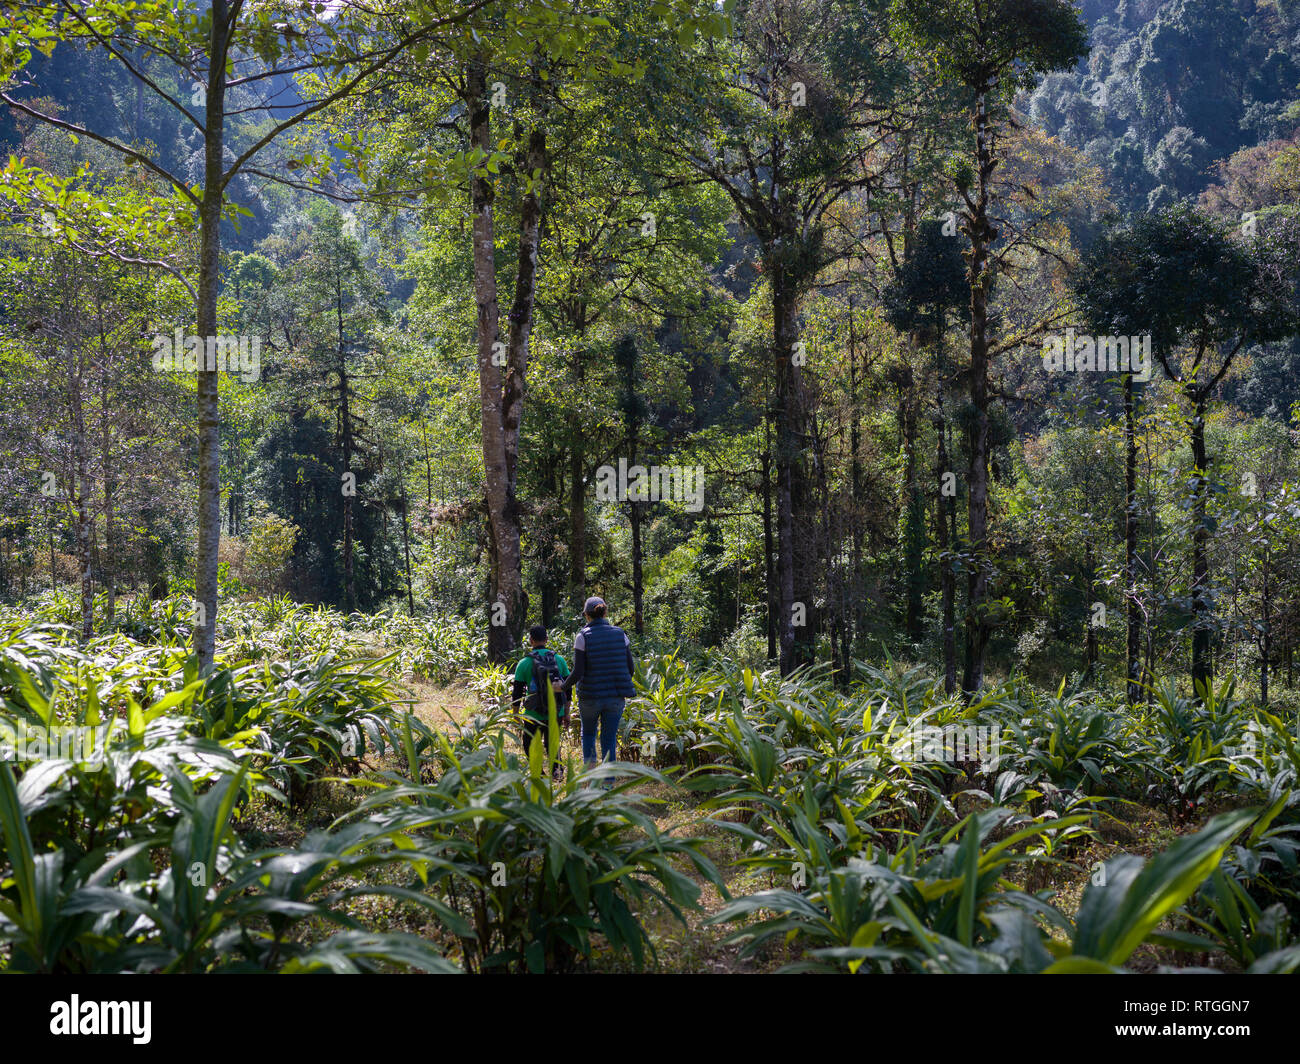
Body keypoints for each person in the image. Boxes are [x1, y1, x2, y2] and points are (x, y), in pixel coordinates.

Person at [561, 597, 635, 782]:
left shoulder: (583, 636)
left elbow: (578, 672)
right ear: (605, 612)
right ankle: (608, 783)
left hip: (590, 696)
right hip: (616, 697)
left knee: (588, 733)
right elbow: (630, 668)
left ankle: (591, 780)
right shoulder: (621, 634)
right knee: (609, 738)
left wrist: (562, 686)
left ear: (586, 615)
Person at [511, 624, 569, 778]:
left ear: (531, 640)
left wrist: (515, 715)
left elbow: (517, 692)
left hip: (532, 714)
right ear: (547, 639)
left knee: (529, 744)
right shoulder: (559, 660)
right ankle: (557, 772)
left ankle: (539, 774)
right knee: (553, 744)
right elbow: (567, 689)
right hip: (556, 710)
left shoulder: (524, 663)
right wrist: (567, 712)